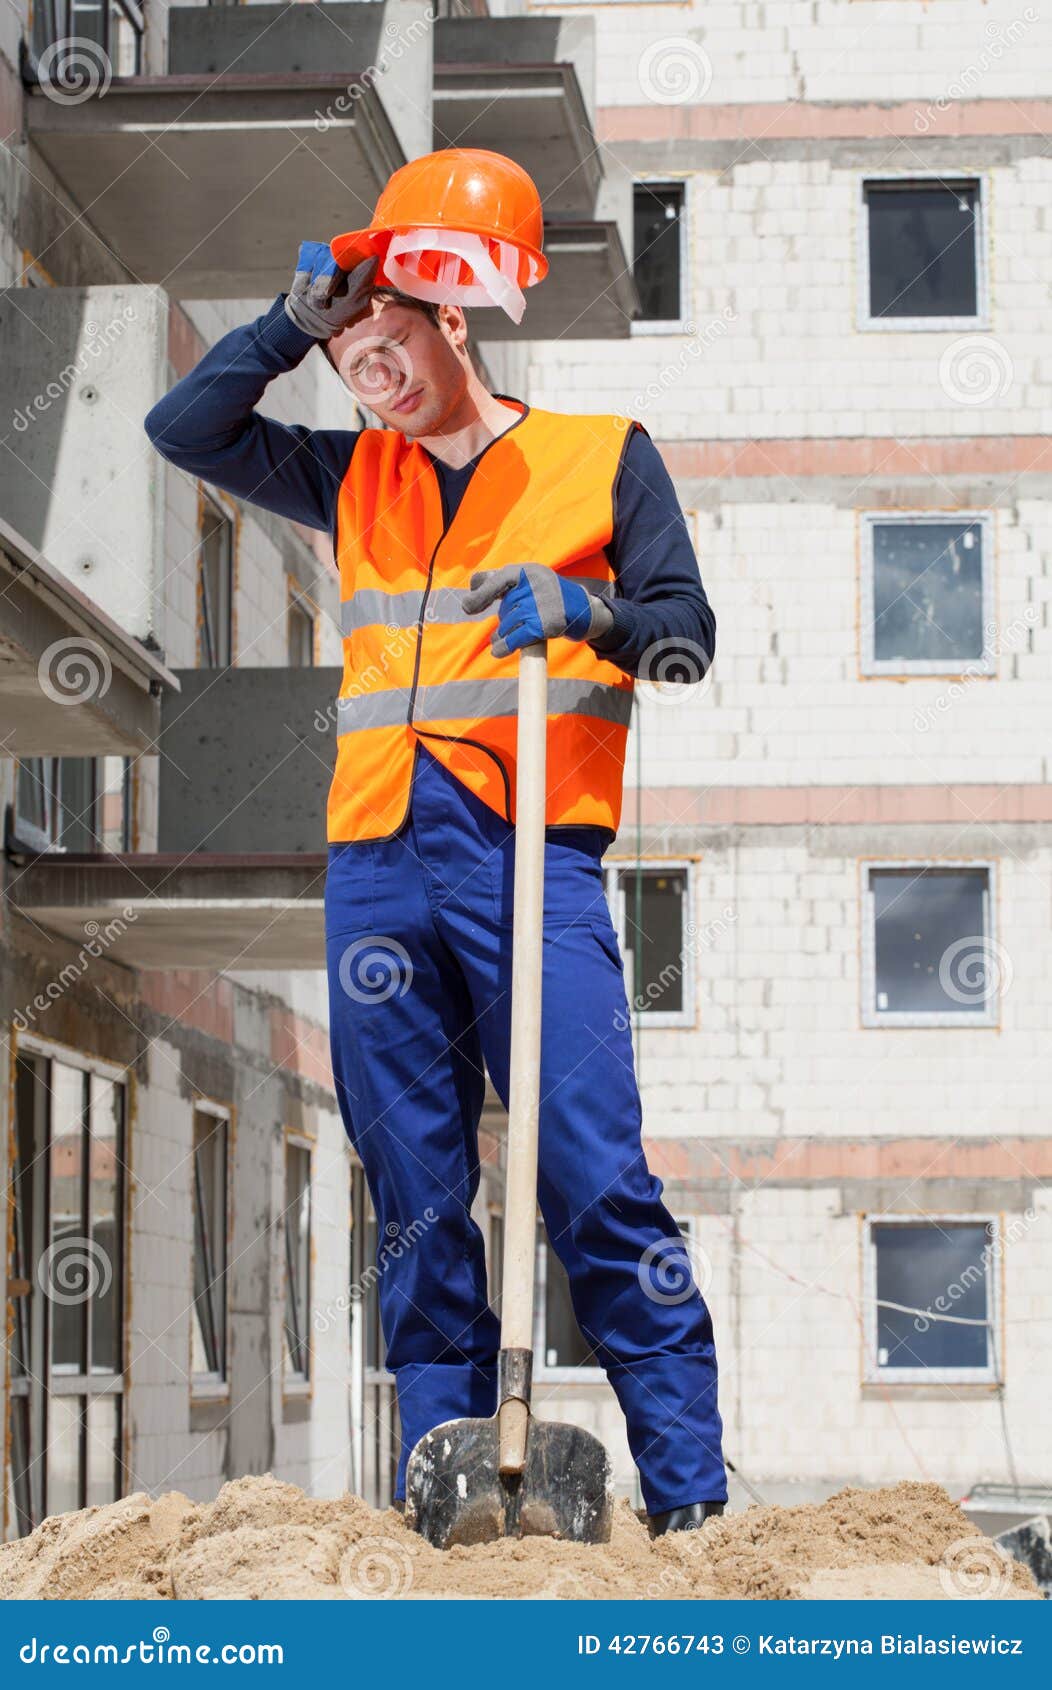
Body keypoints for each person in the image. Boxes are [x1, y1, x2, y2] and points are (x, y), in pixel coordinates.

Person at [144, 239, 727, 1534]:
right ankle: (445, 1495)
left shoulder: (600, 456)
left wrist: (591, 614)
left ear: (452, 323)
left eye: (392, 345)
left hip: (529, 852)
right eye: (352, 364)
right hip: (376, 864)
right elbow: (183, 428)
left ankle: (693, 1502)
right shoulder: (356, 475)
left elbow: (684, 638)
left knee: (590, 1171)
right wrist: (287, 326)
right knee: (412, 1190)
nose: (378, 380)